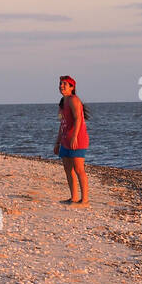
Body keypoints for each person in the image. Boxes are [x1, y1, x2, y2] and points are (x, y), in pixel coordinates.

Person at [54, 75, 90, 206]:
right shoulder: (62, 102)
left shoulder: (74, 100)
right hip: (65, 140)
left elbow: (78, 119)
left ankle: (85, 200)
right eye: (60, 83)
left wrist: (74, 136)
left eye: (65, 84)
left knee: (79, 169)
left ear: (72, 87)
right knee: (67, 169)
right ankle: (74, 198)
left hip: (77, 139)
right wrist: (57, 143)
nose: (61, 86)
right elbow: (61, 123)